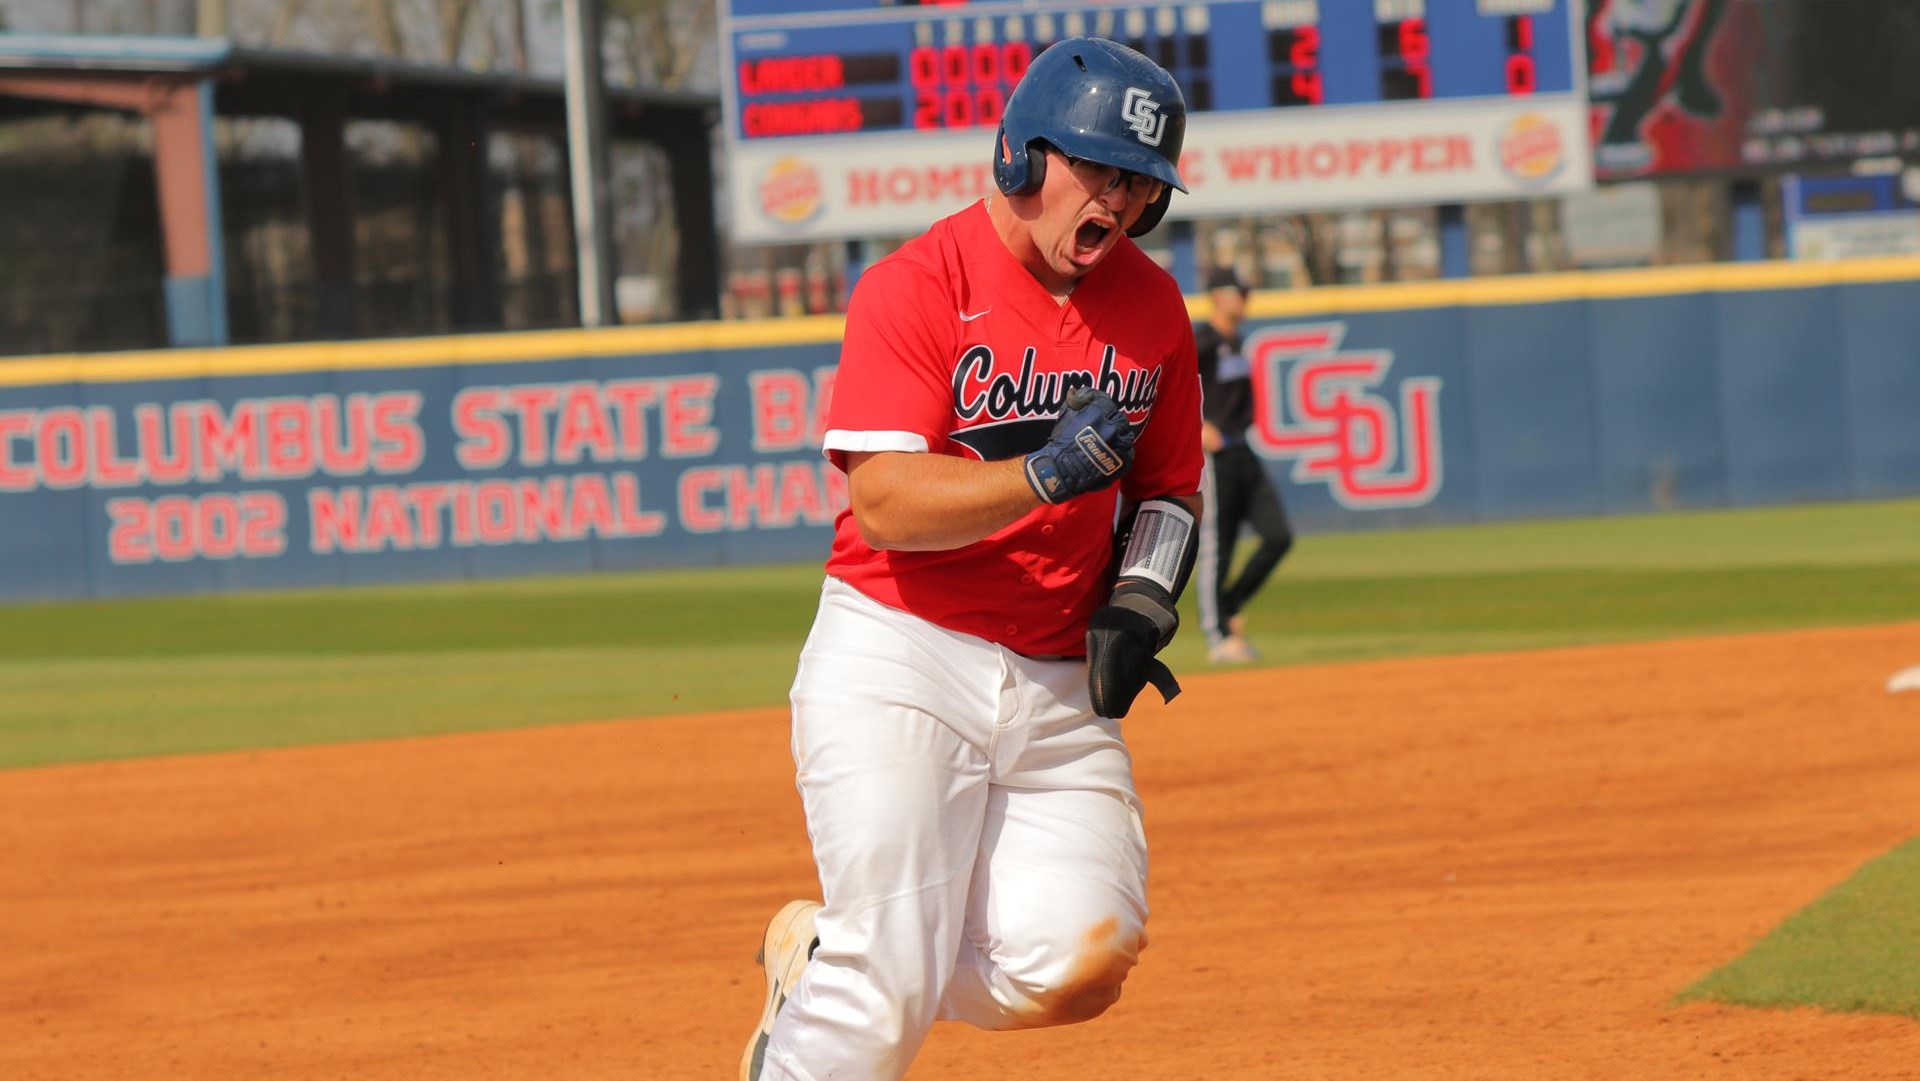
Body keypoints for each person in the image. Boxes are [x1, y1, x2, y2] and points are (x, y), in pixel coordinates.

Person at [740, 38, 1206, 1081]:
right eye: (1102, 173)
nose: (1123, 205)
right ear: (1023, 158)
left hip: (1052, 683)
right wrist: (1041, 478)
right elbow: (888, 504)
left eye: (1141, 185)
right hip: (901, 654)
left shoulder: (1151, 309)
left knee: (1080, 958)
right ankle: (859, 973)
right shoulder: (917, 285)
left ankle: (836, 950)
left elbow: (1171, 491)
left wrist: (1139, 599)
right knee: (879, 998)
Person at [1194, 264, 1294, 665]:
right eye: (1240, 292)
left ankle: (1229, 605)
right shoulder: (1201, 339)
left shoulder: (1236, 341)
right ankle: (1218, 636)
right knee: (1218, 547)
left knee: (1277, 536)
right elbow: (1165, 377)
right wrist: (1195, 424)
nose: (1246, 300)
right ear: (1219, 295)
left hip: (1243, 451)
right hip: (1214, 456)